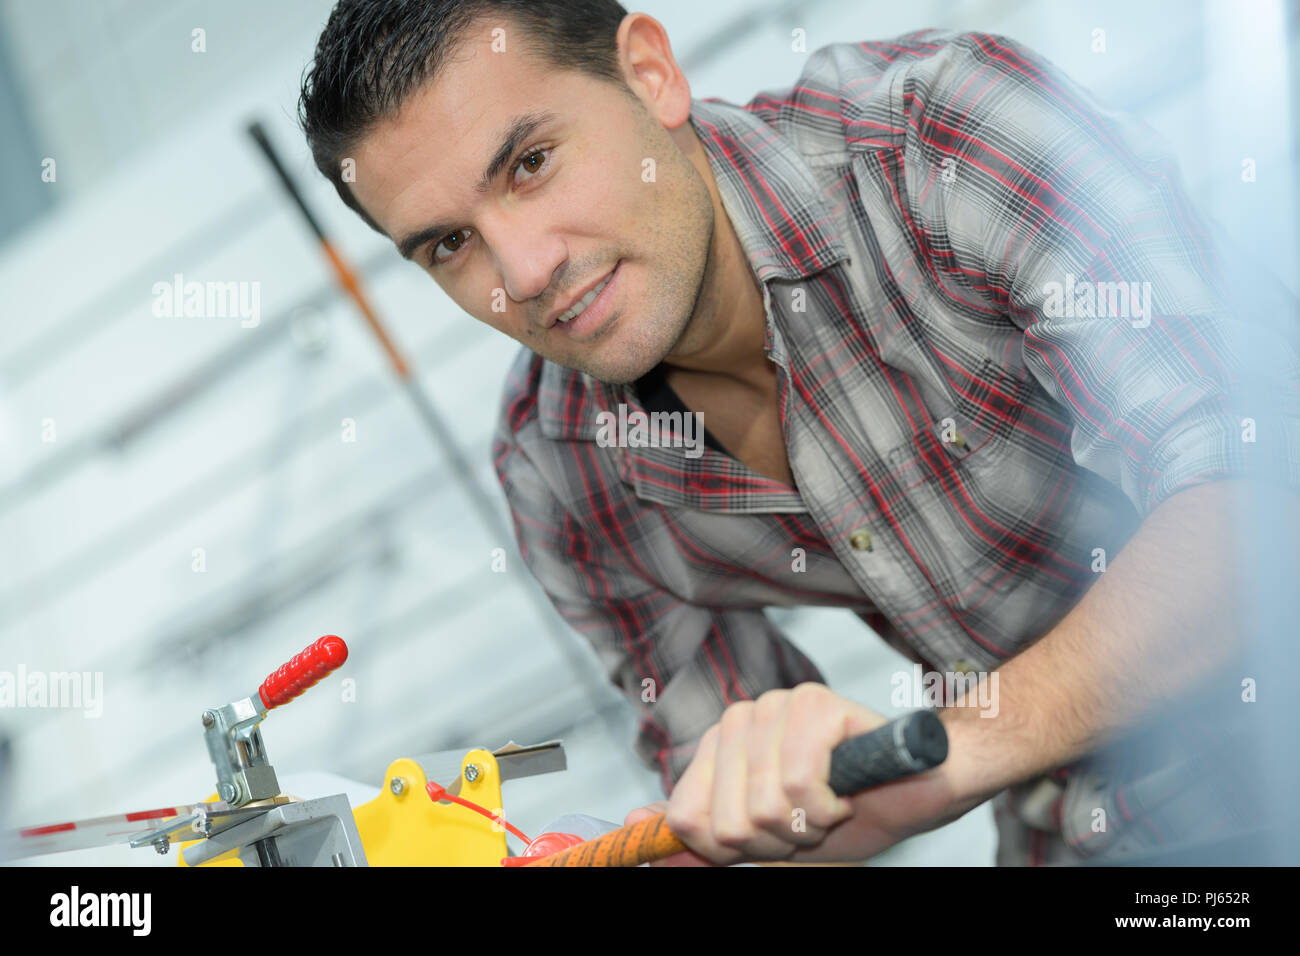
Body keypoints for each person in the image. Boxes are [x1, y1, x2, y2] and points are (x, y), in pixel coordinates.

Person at [298, 0, 1300, 865]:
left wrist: (958, 743)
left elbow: (1257, 498)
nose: (518, 273)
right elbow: (768, 814)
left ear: (650, 75)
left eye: (531, 162)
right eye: (448, 244)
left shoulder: (943, 141)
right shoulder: (560, 470)